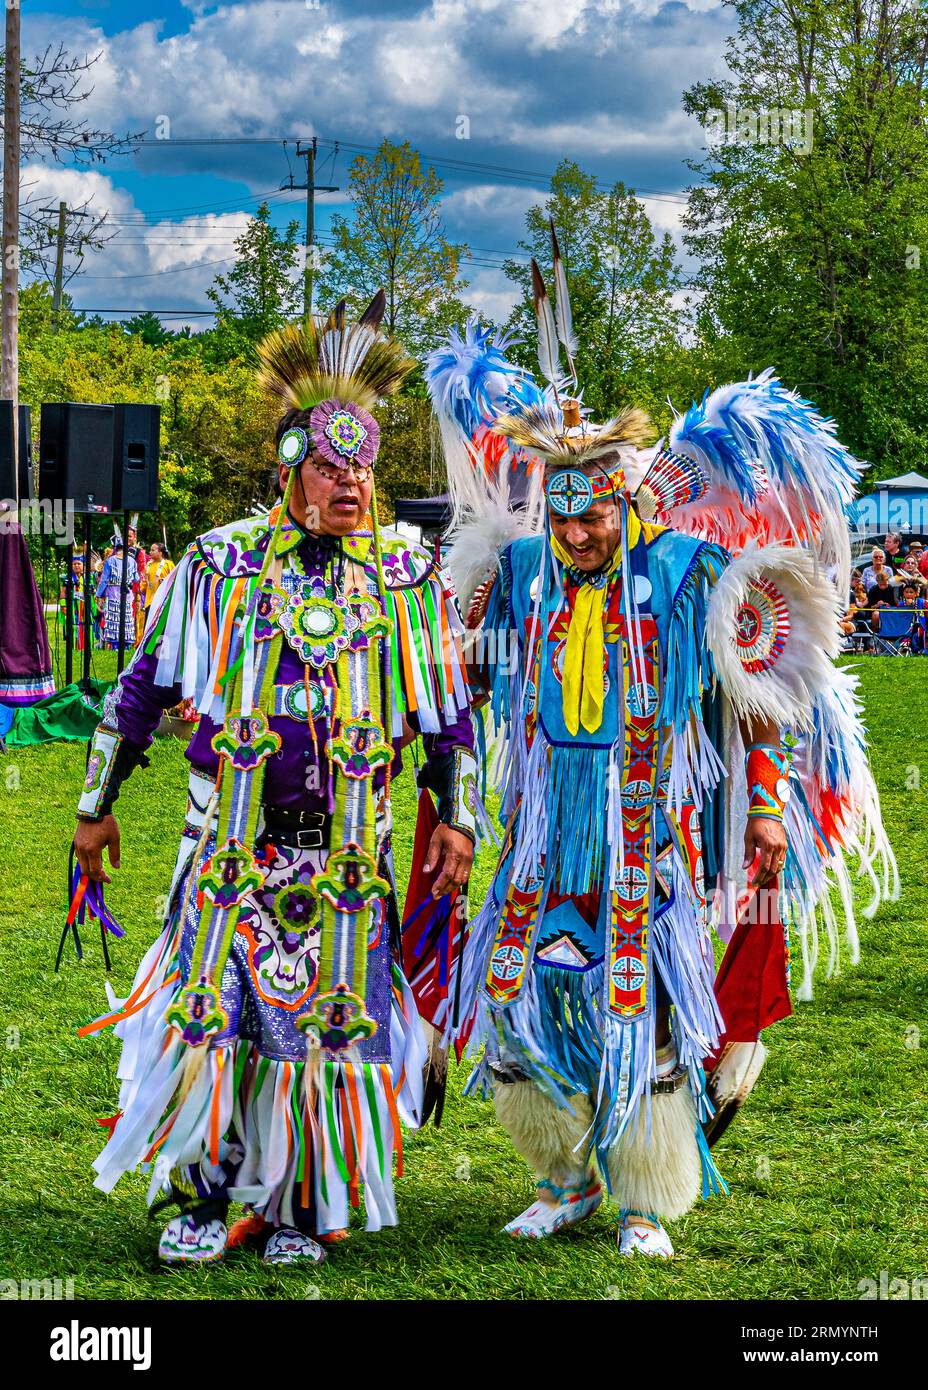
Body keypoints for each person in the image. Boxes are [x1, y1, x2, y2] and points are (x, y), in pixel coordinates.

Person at [425, 261, 897, 1260]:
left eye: (592, 516)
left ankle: (643, 1196)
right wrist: (453, 793)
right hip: (545, 830)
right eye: (560, 517)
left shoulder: (682, 573)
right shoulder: (520, 572)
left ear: (623, 505)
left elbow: (754, 695)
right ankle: (561, 1178)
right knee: (516, 994)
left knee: (644, 1001)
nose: (576, 533)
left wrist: (766, 808)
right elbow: (463, 686)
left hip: (647, 830)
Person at [72, 294, 477, 1266]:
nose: (353, 484)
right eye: (333, 467)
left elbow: (445, 712)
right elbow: (141, 689)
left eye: (365, 467)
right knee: (213, 1026)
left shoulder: (403, 575)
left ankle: (297, 1206)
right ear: (291, 473)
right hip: (225, 850)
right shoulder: (219, 565)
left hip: (346, 855)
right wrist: (94, 807)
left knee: (323, 1036)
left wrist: (458, 817)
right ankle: (206, 1200)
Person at [95, 541, 137, 651]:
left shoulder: (110, 561)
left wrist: (99, 595)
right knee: (126, 619)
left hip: (113, 593)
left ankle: (115, 647)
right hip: (127, 594)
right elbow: (136, 578)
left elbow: (104, 580)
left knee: (114, 620)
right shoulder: (132, 561)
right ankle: (126, 646)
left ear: (115, 548)